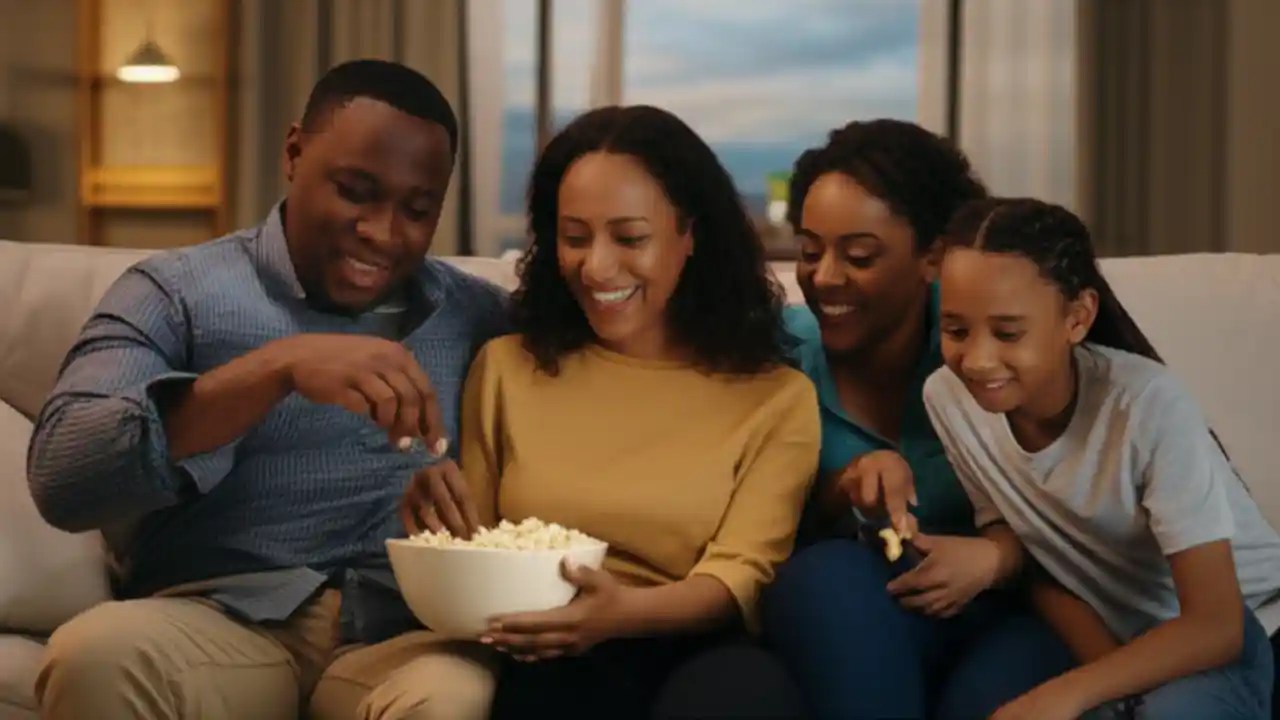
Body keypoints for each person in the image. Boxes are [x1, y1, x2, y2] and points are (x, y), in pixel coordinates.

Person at [27, 59, 511, 720]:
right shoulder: (175, 293)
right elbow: (65, 477)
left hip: (403, 638)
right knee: (96, 654)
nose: (382, 232)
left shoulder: (481, 318)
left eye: (417, 210)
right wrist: (273, 370)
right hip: (219, 623)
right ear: (293, 152)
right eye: (355, 190)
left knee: (452, 700)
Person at [399, 104, 820, 720]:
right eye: (574, 237)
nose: (596, 267)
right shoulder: (508, 369)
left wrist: (622, 613)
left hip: (695, 646)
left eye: (630, 238)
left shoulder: (775, 396)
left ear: (689, 234)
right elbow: (482, 545)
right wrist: (434, 530)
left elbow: (740, 575)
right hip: (547, 648)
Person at [761, 119, 1074, 719]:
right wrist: (844, 487)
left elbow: (1096, 504)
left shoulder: (993, 341)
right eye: (808, 251)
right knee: (824, 581)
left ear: (933, 256)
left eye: (859, 255)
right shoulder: (780, 359)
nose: (823, 277)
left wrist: (998, 558)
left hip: (1018, 605)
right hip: (864, 610)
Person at [924, 197, 1280, 719]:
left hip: (1238, 627)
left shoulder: (1146, 405)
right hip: (1116, 630)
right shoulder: (950, 398)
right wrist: (1106, 685)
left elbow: (1218, 625)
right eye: (956, 330)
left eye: (1008, 333)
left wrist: (1067, 694)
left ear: (1077, 318)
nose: (976, 360)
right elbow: (1039, 554)